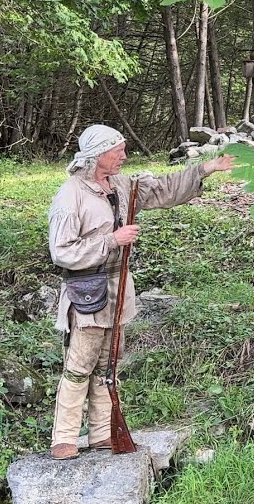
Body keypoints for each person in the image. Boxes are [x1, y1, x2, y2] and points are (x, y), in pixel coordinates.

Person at [46, 124, 233, 460]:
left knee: (108, 365)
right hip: (87, 290)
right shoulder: (70, 195)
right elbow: (62, 251)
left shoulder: (120, 184)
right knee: (79, 364)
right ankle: (64, 438)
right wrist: (111, 241)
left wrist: (207, 168)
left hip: (119, 288)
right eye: (117, 150)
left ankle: (102, 433)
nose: (124, 156)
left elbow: (161, 188)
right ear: (98, 154)